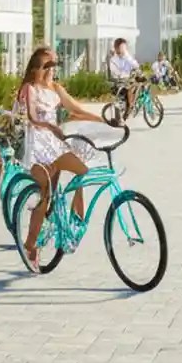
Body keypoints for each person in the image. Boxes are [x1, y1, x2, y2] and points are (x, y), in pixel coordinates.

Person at [17, 45, 110, 270]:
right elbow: (30, 117)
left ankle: (74, 221)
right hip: (38, 145)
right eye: (45, 65)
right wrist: (50, 125)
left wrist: (104, 120)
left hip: (56, 144)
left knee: (83, 172)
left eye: (53, 65)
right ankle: (30, 245)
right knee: (45, 195)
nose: (50, 70)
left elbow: (76, 109)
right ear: (36, 68)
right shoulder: (29, 89)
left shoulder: (56, 88)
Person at [107, 38, 141, 112]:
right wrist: (124, 74)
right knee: (130, 87)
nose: (123, 50)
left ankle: (133, 104)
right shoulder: (113, 60)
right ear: (116, 48)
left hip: (127, 79)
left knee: (139, 85)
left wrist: (127, 57)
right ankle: (131, 105)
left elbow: (135, 65)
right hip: (118, 81)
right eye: (122, 47)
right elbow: (115, 72)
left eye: (124, 48)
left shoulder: (127, 56)